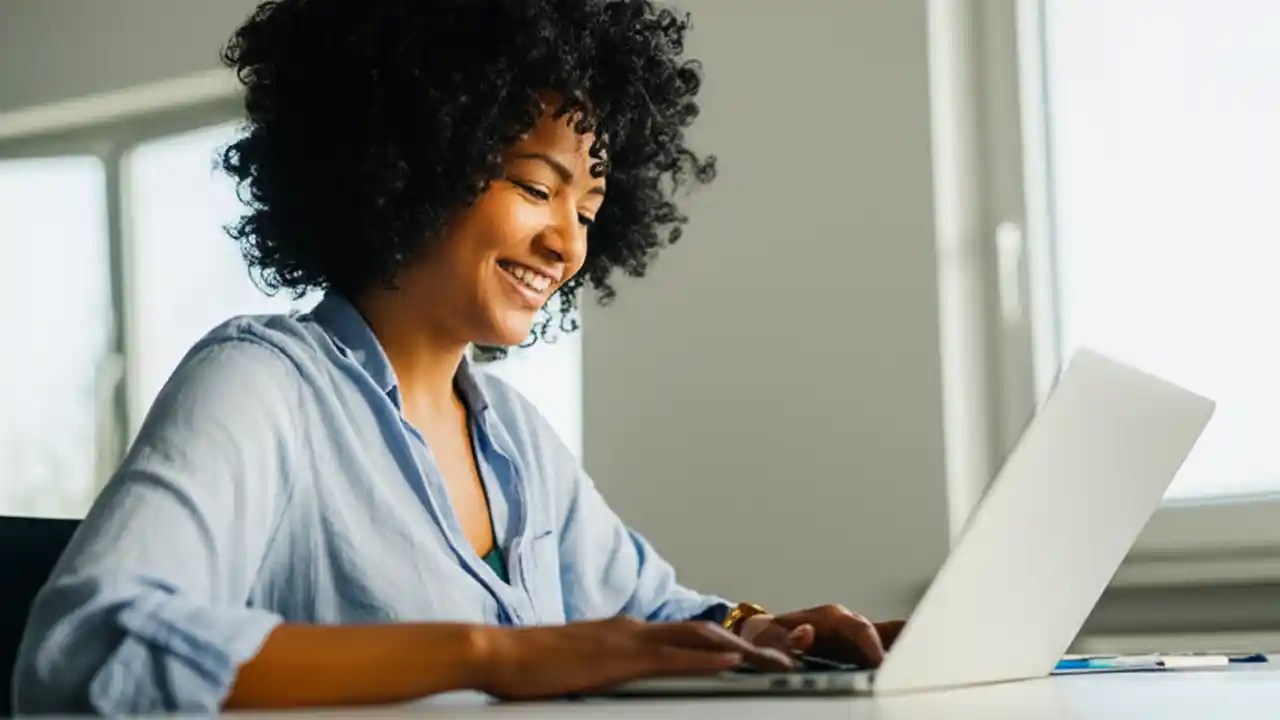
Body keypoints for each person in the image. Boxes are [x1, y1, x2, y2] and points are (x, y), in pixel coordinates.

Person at [14, 0, 902, 714]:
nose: (566, 246)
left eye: (588, 211)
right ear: (409, 156)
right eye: (534, 186)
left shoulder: (513, 437)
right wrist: (494, 655)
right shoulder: (262, 386)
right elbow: (88, 653)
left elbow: (647, 614)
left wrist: (769, 633)